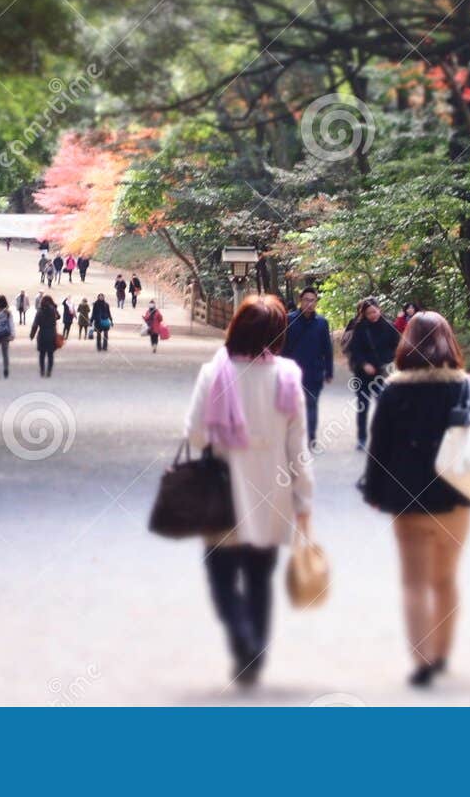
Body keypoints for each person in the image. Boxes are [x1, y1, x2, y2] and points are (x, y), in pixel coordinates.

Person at [359, 311, 470, 688]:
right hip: (455, 496)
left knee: (414, 583)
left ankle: (422, 660)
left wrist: (375, 491)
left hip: (407, 498)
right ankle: (442, 653)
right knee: (444, 580)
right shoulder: (464, 388)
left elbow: (379, 448)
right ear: (450, 343)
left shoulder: (394, 390)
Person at [183, 294, 313, 687]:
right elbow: (298, 449)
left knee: (221, 575)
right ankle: (255, 650)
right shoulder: (288, 375)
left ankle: (241, 636)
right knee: (260, 576)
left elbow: (194, 432)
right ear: (277, 335)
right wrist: (304, 500)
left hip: (223, 489)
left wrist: (221, 441)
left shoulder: (213, 373)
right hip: (273, 490)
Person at [346, 297, 401, 451]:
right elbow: (354, 350)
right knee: (363, 405)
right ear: (364, 313)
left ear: (379, 309)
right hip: (362, 374)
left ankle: (385, 437)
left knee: (384, 406)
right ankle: (362, 438)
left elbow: (398, 346)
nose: (373, 315)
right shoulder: (360, 328)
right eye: (369, 313)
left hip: (382, 373)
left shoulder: (389, 327)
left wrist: (390, 361)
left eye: (375, 311)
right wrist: (364, 364)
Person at [281, 287, 333, 448]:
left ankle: (310, 437)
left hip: (314, 372)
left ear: (316, 303)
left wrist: (329, 371)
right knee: (292, 407)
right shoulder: (289, 320)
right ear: (300, 301)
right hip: (292, 372)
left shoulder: (322, 323)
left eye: (313, 300)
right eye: (306, 300)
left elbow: (327, 349)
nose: (309, 303)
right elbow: (282, 347)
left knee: (311, 405)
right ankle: (291, 436)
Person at [30, 295, 61, 377]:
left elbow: (35, 325)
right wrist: (54, 307)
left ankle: (42, 370)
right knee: (50, 354)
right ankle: (49, 371)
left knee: (42, 354)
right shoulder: (53, 310)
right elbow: (58, 316)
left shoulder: (40, 311)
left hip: (42, 334)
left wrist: (32, 335)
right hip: (52, 334)